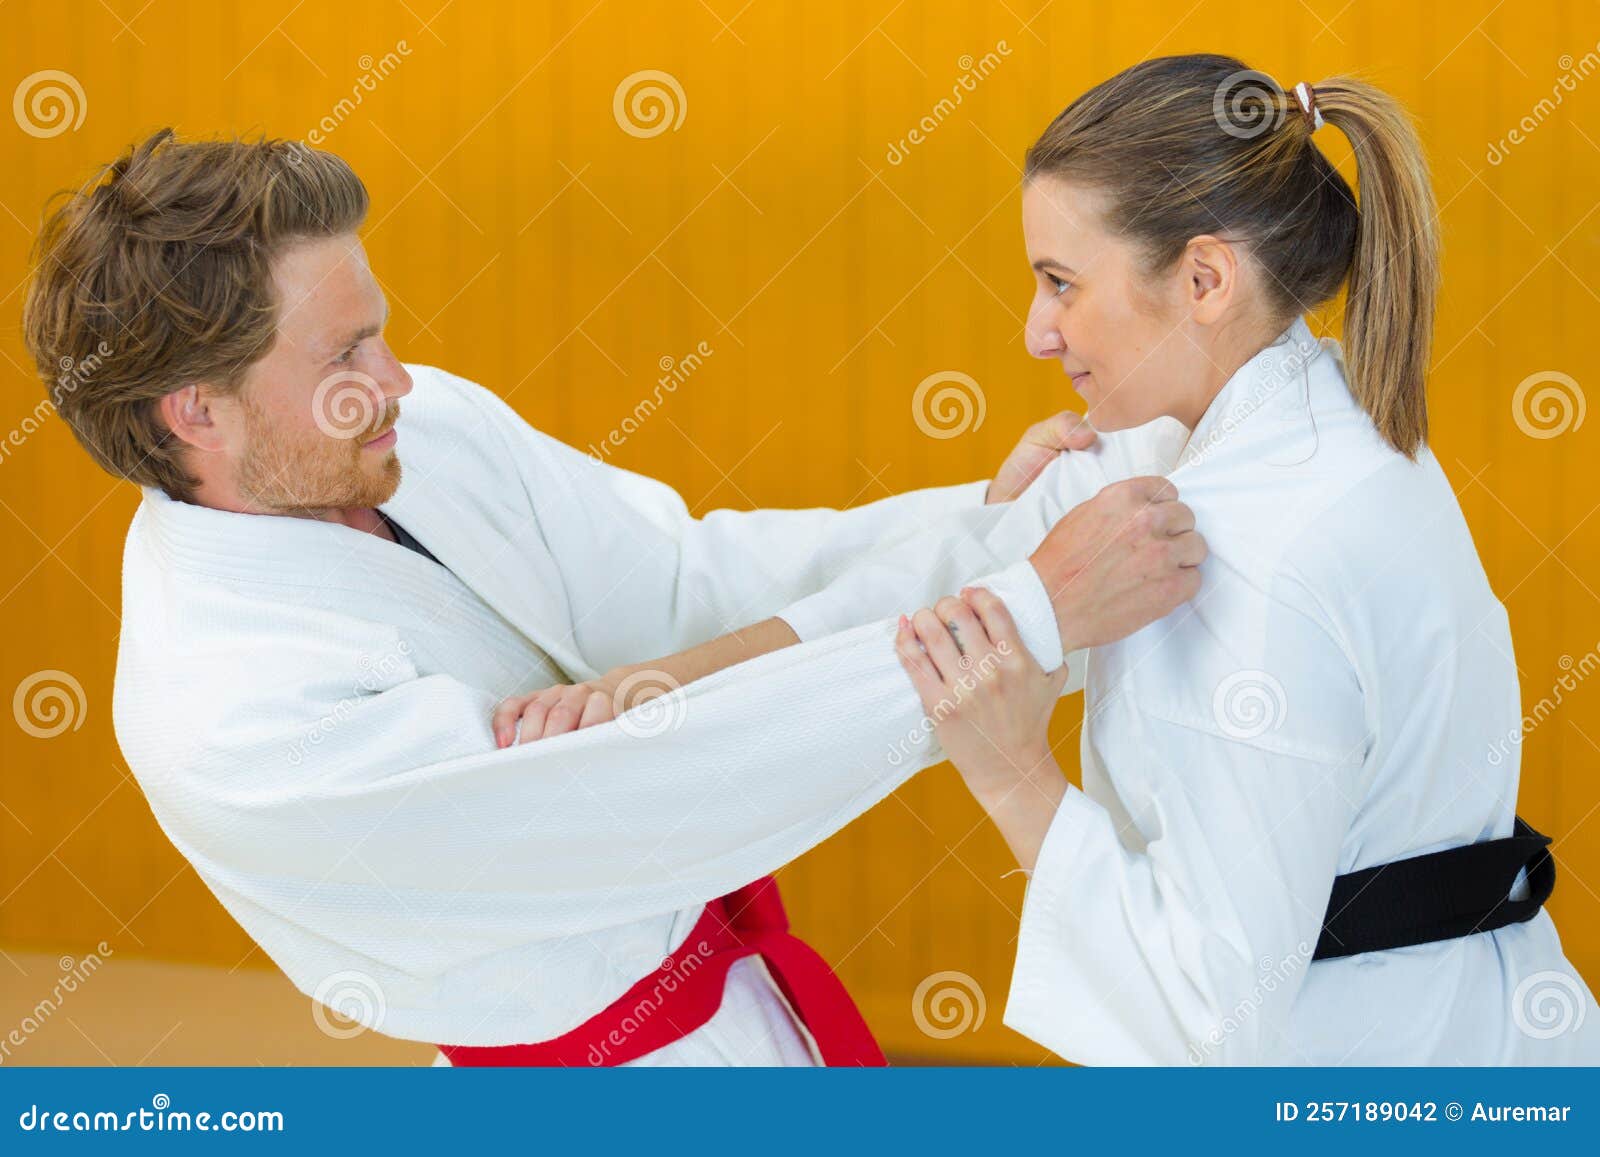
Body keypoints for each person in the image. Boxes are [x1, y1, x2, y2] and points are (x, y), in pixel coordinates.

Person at [22, 129, 1205, 1066]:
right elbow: (663, 777)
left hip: (740, 1000)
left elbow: (689, 586)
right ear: (196, 412)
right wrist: (1028, 609)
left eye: (376, 333)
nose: (396, 380)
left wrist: (978, 528)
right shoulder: (234, 714)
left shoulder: (414, 431)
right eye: (342, 357)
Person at [892, 56, 1600, 1064]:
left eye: (1061, 283)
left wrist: (1012, 773)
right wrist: (1014, 531)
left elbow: (1211, 1023)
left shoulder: (1228, 558)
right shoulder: (1338, 411)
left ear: (1205, 278)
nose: (1037, 331)